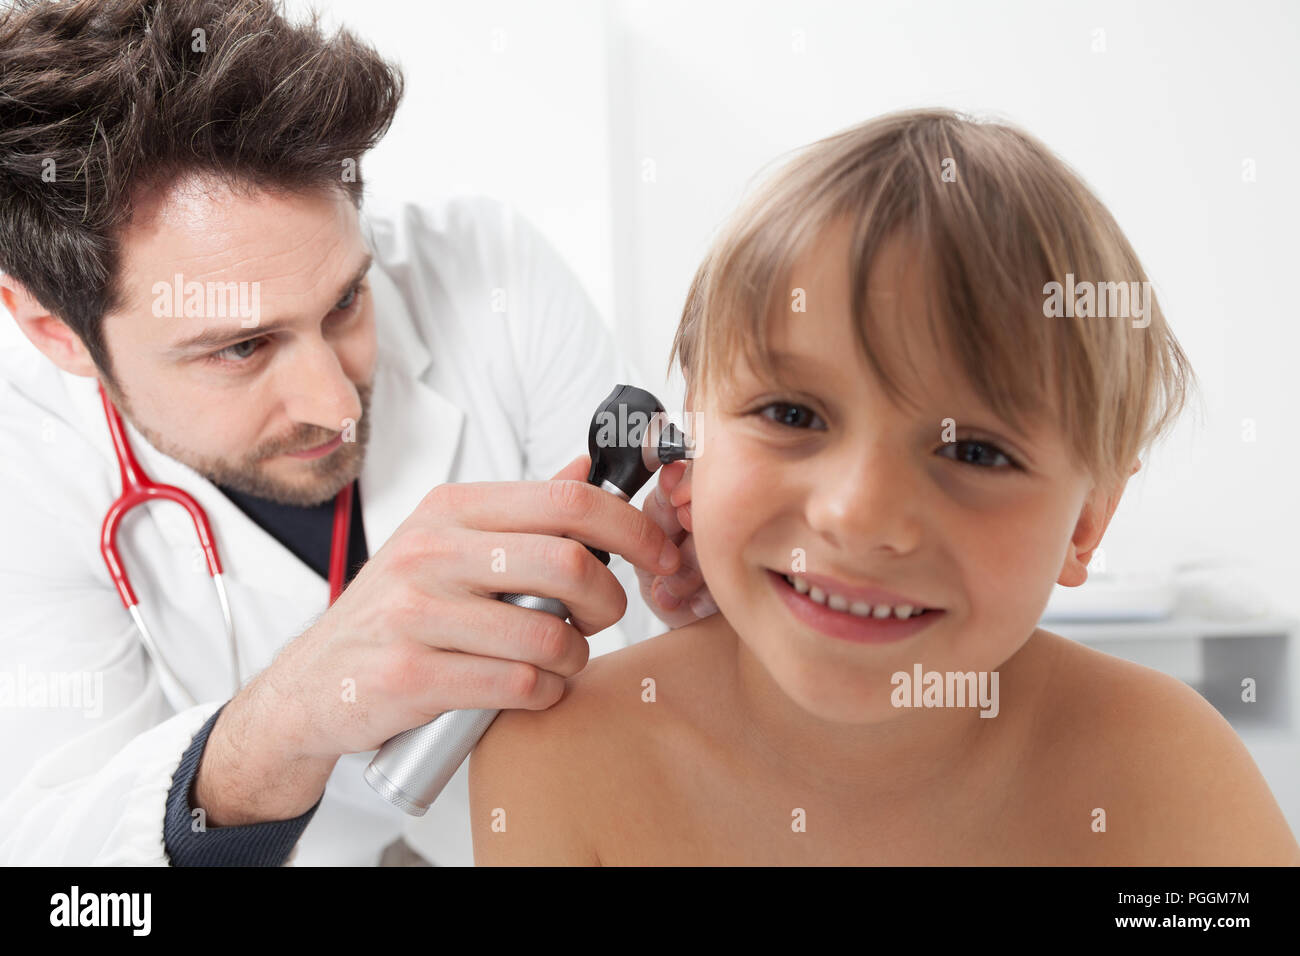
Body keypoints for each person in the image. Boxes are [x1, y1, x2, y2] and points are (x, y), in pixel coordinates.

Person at [468, 108, 1300, 865]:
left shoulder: (1166, 767)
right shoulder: (561, 755)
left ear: (1086, 523)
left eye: (974, 453)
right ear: (681, 461)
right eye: (792, 413)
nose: (858, 516)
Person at [0, 0, 711, 866]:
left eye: (345, 301)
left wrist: (710, 611)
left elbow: (637, 673)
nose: (335, 401)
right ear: (53, 331)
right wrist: (282, 721)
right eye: (241, 347)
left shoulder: (493, 276)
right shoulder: (24, 457)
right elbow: (62, 866)